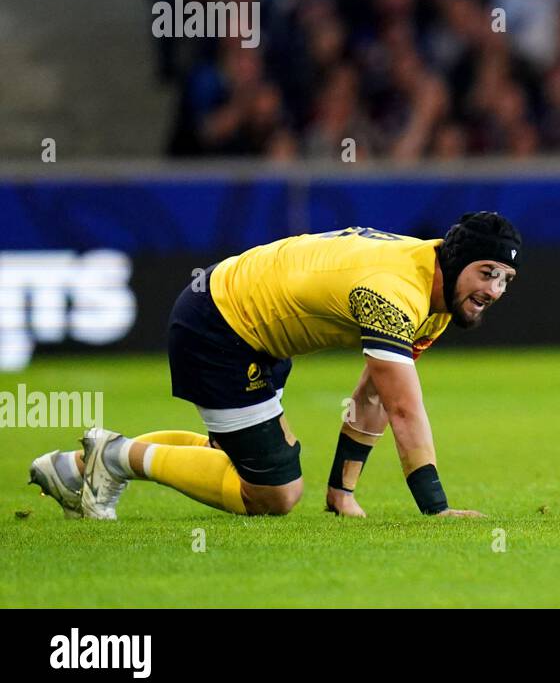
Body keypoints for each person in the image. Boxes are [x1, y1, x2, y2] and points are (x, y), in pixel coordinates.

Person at [29, 216, 520, 520]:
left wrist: (342, 493)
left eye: (505, 278)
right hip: (221, 326)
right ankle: (112, 458)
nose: (495, 291)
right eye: (487, 272)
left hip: (256, 325)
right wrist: (436, 508)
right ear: (456, 262)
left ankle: (83, 466)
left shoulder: (434, 287)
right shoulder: (394, 293)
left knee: (245, 463)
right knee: (274, 494)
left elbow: (372, 393)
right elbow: (403, 410)